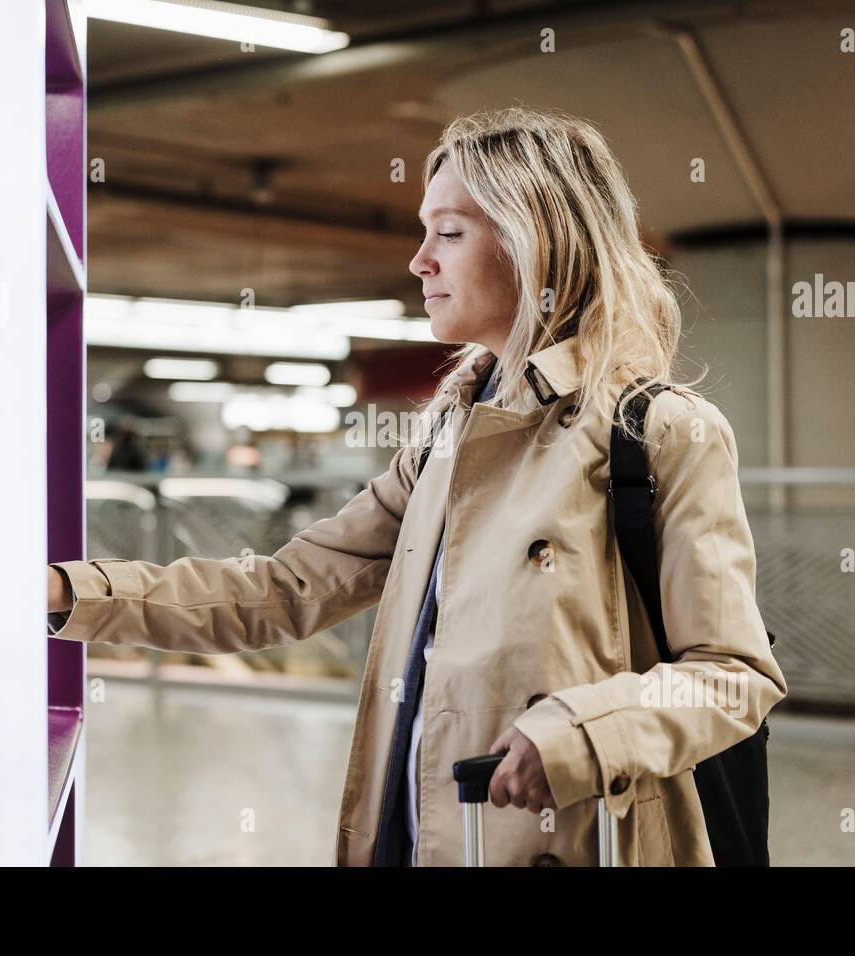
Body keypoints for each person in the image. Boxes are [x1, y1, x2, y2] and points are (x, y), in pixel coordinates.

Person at [47, 106, 787, 866]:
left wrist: (580, 732)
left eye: (451, 232)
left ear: (538, 240)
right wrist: (67, 594)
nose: (419, 261)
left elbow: (733, 677)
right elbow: (281, 589)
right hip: (416, 837)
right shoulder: (445, 438)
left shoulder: (661, 432)